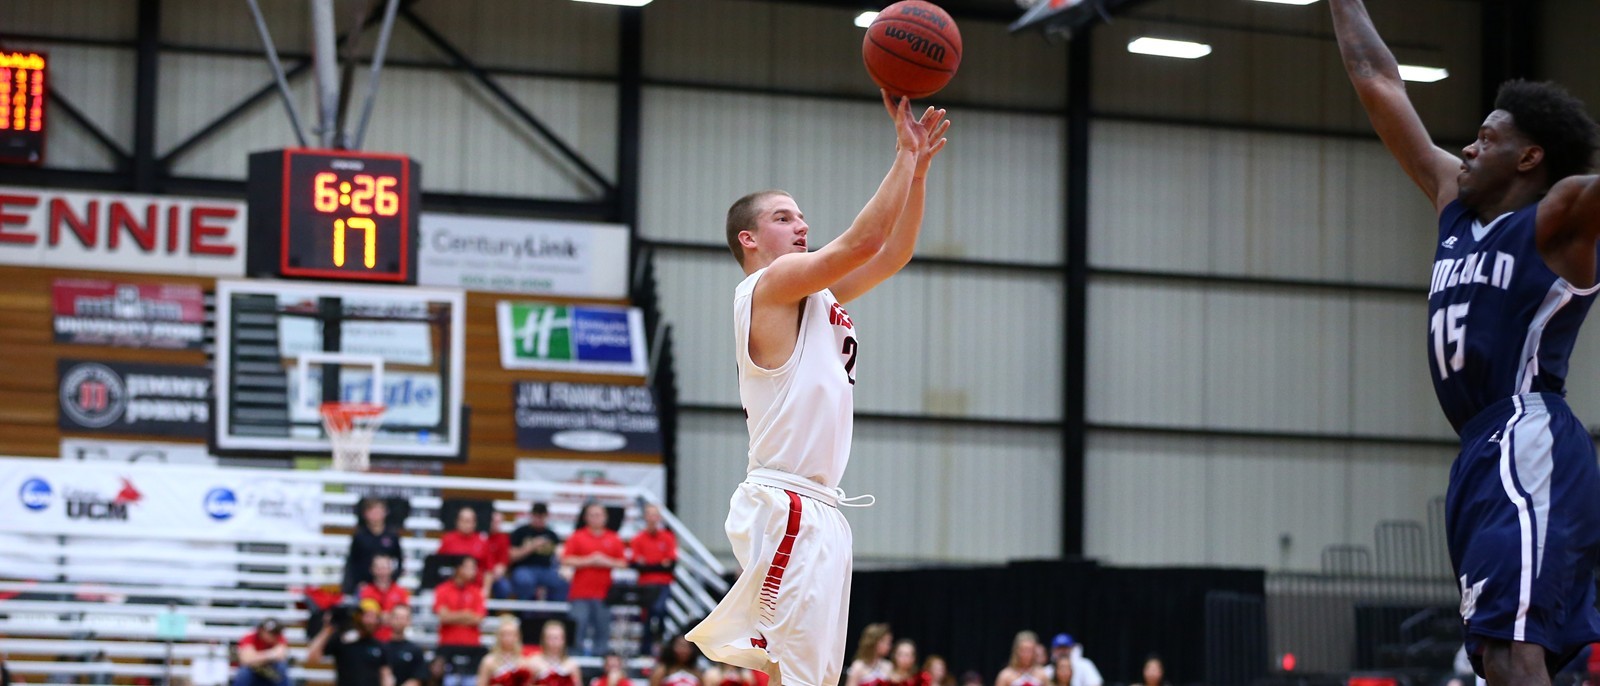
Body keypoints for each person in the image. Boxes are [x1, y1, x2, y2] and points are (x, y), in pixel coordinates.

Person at [1330, 3, 1600, 685]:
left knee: (1515, 654)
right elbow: (1378, 82)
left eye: (1486, 137)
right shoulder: (1455, 205)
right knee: (1494, 658)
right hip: (1479, 452)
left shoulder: (1560, 220)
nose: (1470, 147)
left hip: (1527, 436)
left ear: (1530, 156)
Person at [685, 90, 949, 686]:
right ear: (748, 240)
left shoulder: (816, 297)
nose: (801, 224)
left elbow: (893, 252)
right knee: (797, 677)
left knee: (813, 677)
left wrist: (921, 171)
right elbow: (861, 243)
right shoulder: (769, 288)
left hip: (823, 509)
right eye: (783, 217)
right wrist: (903, 155)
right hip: (787, 504)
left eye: (802, 216)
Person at [562, 501, 627, 656]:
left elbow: (623, 563)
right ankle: (576, 662)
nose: (595, 518)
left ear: (605, 517)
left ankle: (599, 665)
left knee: (602, 632)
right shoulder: (577, 537)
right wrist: (589, 560)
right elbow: (566, 560)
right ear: (586, 518)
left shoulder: (614, 538)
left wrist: (605, 561)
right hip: (580, 594)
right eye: (592, 515)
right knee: (577, 630)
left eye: (598, 515)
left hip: (604, 594)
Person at [630, 503, 678, 657]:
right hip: (645, 584)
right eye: (649, 514)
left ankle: (658, 643)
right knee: (647, 616)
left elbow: (671, 564)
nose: (652, 518)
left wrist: (649, 565)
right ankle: (646, 649)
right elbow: (637, 564)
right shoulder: (638, 538)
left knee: (660, 611)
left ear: (659, 517)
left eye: (655, 514)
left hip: (662, 583)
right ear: (645, 517)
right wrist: (659, 565)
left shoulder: (668, 537)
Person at [308, 605, 395, 686]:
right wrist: (327, 629)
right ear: (358, 617)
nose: (371, 621)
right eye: (367, 616)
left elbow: (386, 675)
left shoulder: (379, 646)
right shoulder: (342, 641)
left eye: (374, 617)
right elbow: (312, 658)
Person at [434, 556, 488, 686]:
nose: (473, 571)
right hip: (447, 645)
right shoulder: (442, 589)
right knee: (438, 672)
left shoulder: (476, 592)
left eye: (474, 568)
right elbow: (443, 617)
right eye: (469, 567)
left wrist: (453, 616)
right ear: (458, 569)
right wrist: (466, 614)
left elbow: (478, 619)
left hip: (472, 646)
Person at [345, 497, 405, 594]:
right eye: (372, 512)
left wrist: (393, 579)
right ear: (366, 514)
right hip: (365, 583)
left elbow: (399, 559)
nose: (376, 515)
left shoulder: (392, 535)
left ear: (385, 513)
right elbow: (353, 562)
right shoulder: (360, 536)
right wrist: (359, 582)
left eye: (378, 511)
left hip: (387, 584)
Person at [511, 502, 568, 601]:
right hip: (525, 568)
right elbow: (511, 555)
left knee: (562, 582)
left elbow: (560, 555)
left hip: (547, 570)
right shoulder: (520, 532)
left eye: (542, 517)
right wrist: (532, 546)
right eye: (537, 516)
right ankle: (525, 612)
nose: (539, 520)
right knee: (525, 581)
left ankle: (556, 613)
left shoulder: (552, 535)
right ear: (531, 516)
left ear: (546, 517)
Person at [359, 556, 411, 642]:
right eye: (379, 568)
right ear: (372, 569)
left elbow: (404, 616)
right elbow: (366, 617)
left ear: (391, 569)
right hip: (371, 638)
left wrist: (379, 616)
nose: (382, 571)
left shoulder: (400, 591)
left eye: (385, 567)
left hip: (394, 639)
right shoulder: (366, 591)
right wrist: (391, 617)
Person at [439, 506, 493, 588]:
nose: (466, 524)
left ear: (474, 523)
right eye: (463, 520)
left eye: (469, 521)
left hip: (476, 588)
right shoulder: (448, 539)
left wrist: (485, 590)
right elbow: (439, 564)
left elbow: (489, 570)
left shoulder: (482, 541)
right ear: (457, 521)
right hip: (452, 588)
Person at [479, 616, 537, 686]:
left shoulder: (524, 662)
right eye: (504, 634)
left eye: (511, 634)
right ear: (499, 636)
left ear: (517, 637)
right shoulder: (489, 661)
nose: (508, 638)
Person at [234, 618, 290, 686]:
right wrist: (271, 654)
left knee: (281, 668)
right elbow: (246, 659)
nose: (271, 636)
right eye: (269, 632)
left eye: (274, 633)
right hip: (253, 670)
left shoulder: (279, 637)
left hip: (269, 669)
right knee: (244, 671)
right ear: (261, 630)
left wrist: (256, 657)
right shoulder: (250, 637)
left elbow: (281, 655)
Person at [386, 605, 430, 686]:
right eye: (397, 617)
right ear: (390, 619)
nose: (399, 621)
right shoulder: (381, 649)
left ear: (409, 621)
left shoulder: (415, 650)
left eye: (403, 618)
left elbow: (419, 678)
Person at [529, 619, 582, 686]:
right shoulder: (533, 662)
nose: (554, 642)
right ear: (543, 639)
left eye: (557, 638)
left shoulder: (572, 665)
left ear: (564, 640)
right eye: (550, 638)